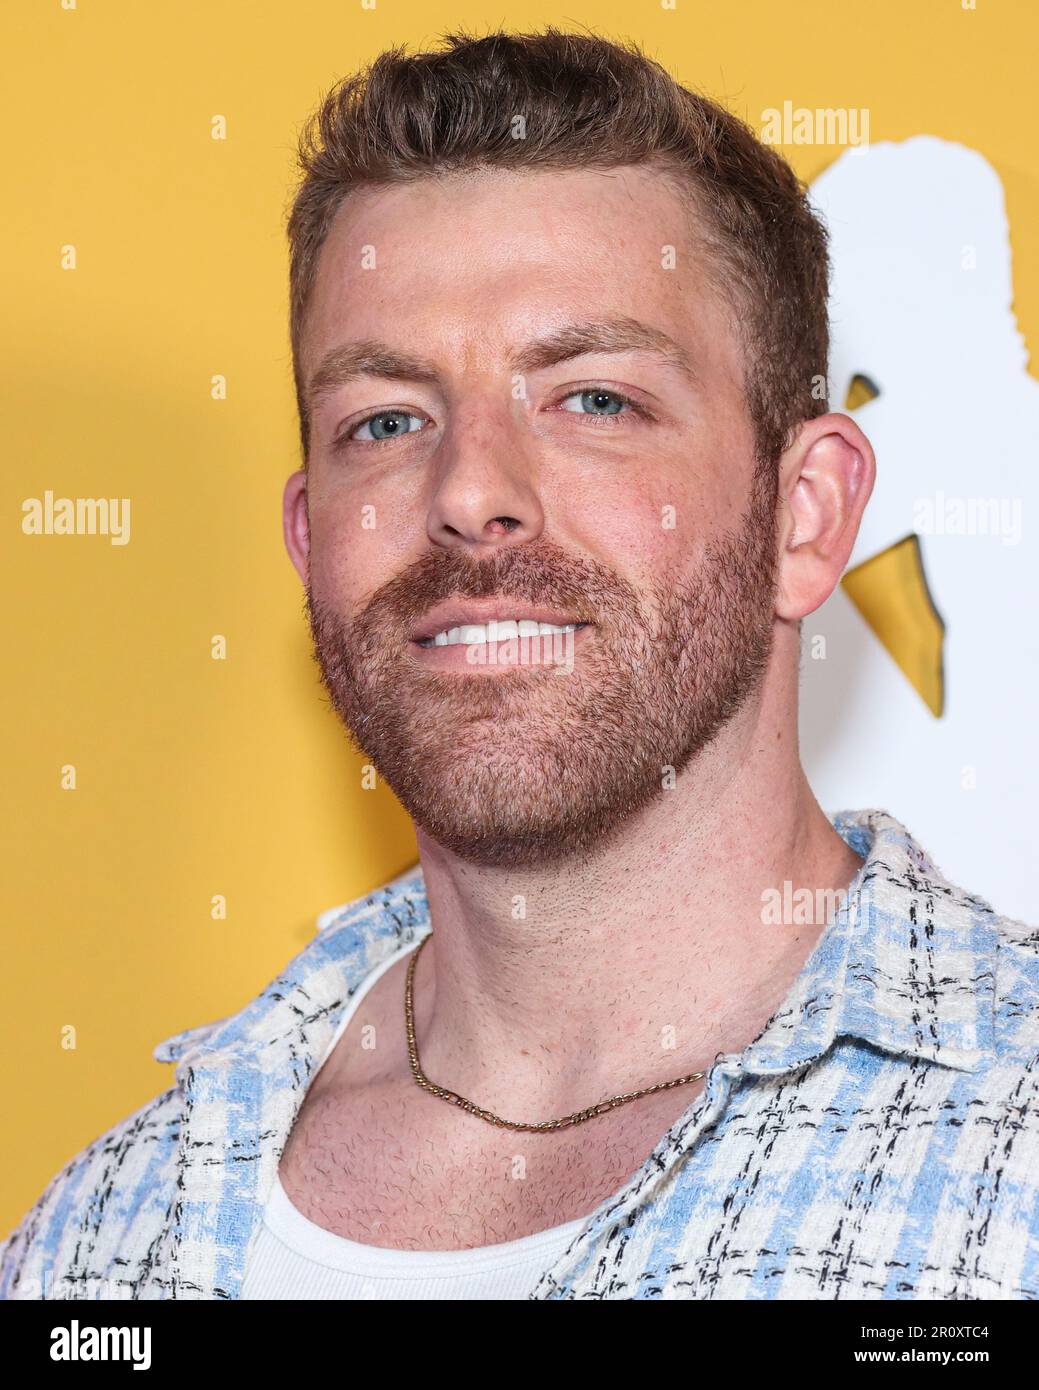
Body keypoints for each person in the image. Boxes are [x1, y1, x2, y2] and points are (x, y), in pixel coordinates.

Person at [3, 27, 1036, 1303]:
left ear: (804, 516)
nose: (470, 491)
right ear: (307, 533)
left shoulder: (1015, 1150)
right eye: (386, 420)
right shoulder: (100, 1240)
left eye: (593, 399)